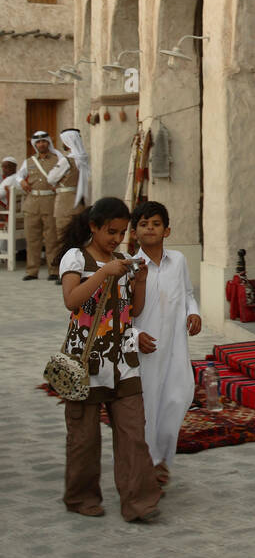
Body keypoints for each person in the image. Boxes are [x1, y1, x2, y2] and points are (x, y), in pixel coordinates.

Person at [57, 197, 162, 522]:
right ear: (93, 227)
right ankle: (81, 497)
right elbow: (72, 300)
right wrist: (104, 272)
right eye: (111, 232)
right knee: (84, 437)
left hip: (123, 360)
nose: (117, 239)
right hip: (85, 360)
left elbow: (135, 310)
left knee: (133, 433)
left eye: (121, 233)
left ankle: (139, 503)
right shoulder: (76, 257)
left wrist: (140, 280)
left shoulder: (122, 260)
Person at [130, 201, 202, 487]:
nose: (150, 228)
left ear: (167, 230)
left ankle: (162, 458)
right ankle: (149, 464)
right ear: (135, 232)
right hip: (144, 350)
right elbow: (124, 311)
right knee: (147, 405)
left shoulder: (179, 261)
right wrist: (134, 337)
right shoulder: (130, 265)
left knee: (177, 397)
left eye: (156, 224)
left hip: (175, 345)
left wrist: (193, 312)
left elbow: (187, 293)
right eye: (144, 224)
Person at [18, 130, 67, 280]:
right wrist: (21, 181)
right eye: (38, 142)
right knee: (32, 239)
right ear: (34, 144)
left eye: (44, 141)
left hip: (51, 202)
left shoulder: (58, 158)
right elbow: (19, 175)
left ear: (48, 142)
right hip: (32, 203)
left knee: (52, 238)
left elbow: (66, 174)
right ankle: (32, 271)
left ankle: (53, 270)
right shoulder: (29, 161)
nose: (41, 144)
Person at [50, 129, 90, 270]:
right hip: (80, 203)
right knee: (78, 237)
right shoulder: (83, 159)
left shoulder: (66, 161)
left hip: (65, 203)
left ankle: (65, 269)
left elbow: (51, 178)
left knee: (64, 237)